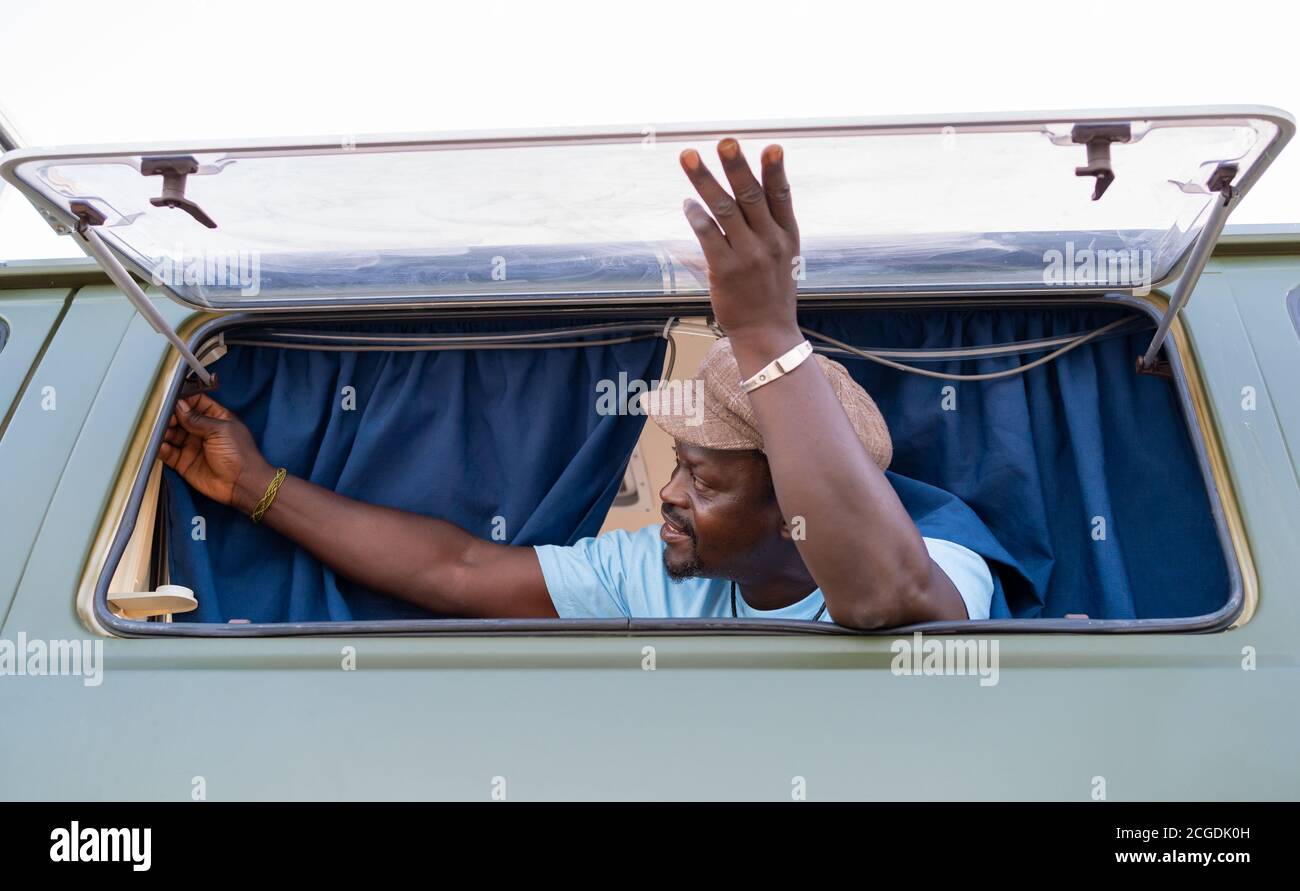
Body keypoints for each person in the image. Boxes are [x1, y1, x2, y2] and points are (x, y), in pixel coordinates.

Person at [160, 138, 992, 629]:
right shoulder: (672, 574)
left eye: (700, 477)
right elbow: (457, 569)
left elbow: (891, 597)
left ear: (794, 504)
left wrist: (767, 331)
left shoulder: (942, 560)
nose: (665, 494)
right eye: (677, 464)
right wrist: (256, 485)